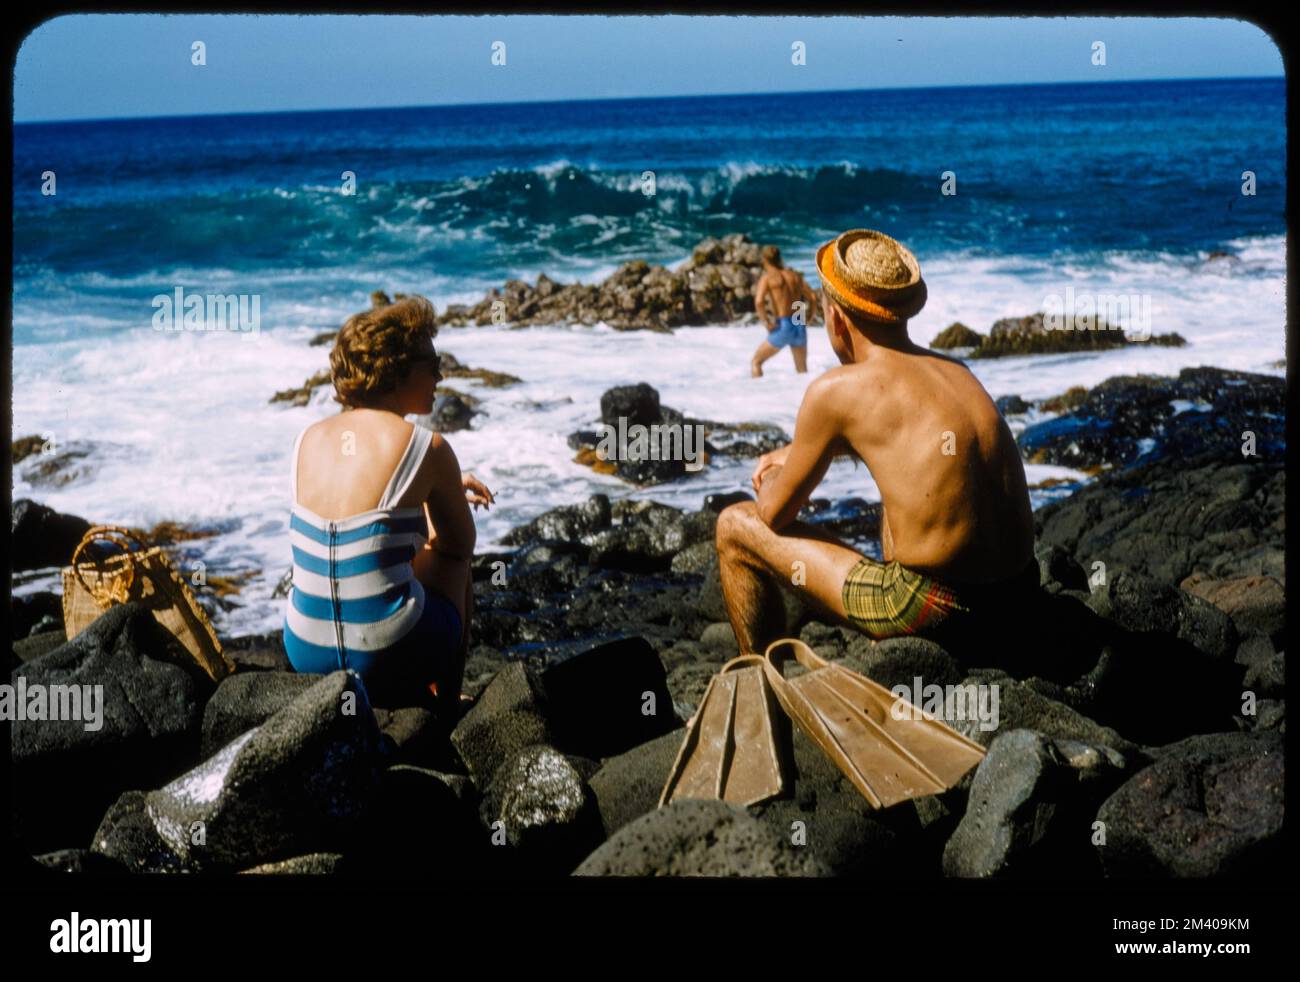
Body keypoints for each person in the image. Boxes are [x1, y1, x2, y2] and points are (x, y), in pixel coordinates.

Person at [716, 228, 1037, 655]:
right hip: (1020, 597)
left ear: (836, 318)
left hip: (935, 609)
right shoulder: (956, 371)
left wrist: (771, 478)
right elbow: (895, 434)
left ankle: (760, 679)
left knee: (735, 526)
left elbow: (774, 514)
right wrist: (797, 452)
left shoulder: (835, 391)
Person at [283, 296, 494, 717]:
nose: (439, 375)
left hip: (304, 652)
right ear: (397, 368)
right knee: (453, 565)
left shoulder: (308, 438)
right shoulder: (427, 446)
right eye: (431, 364)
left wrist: (432, 494)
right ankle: (447, 708)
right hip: (383, 654)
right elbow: (458, 546)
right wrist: (442, 495)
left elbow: (360, 525)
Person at [751, 244, 820, 377]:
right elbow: (812, 297)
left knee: (756, 362)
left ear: (764, 260)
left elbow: (759, 301)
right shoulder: (794, 276)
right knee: (802, 371)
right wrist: (809, 317)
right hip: (798, 322)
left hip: (784, 325)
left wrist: (766, 323)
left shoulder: (767, 278)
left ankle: (757, 396)